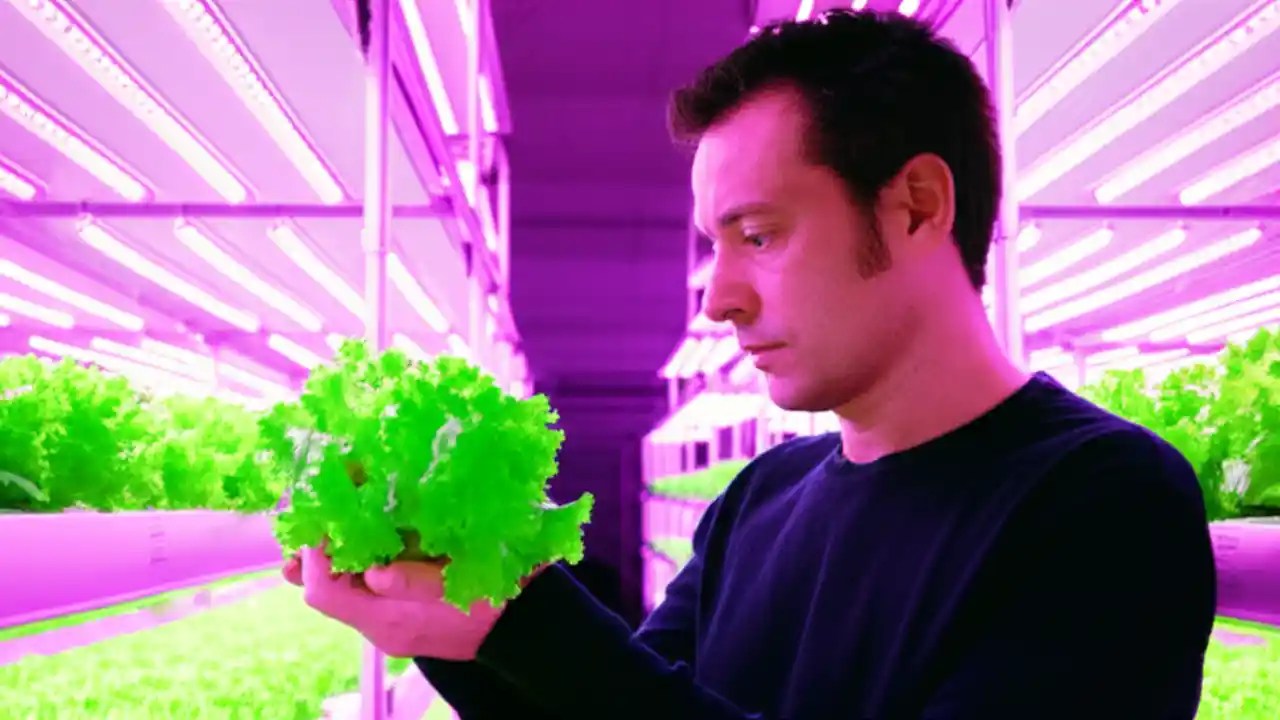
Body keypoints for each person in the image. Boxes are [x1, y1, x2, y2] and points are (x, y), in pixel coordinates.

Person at [284, 9, 1217, 719]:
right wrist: (457, 631)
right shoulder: (760, 498)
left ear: (918, 205)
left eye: (760, 235)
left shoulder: (1103, 501)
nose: (717, 299)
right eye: (713, 247)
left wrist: (530, 624)